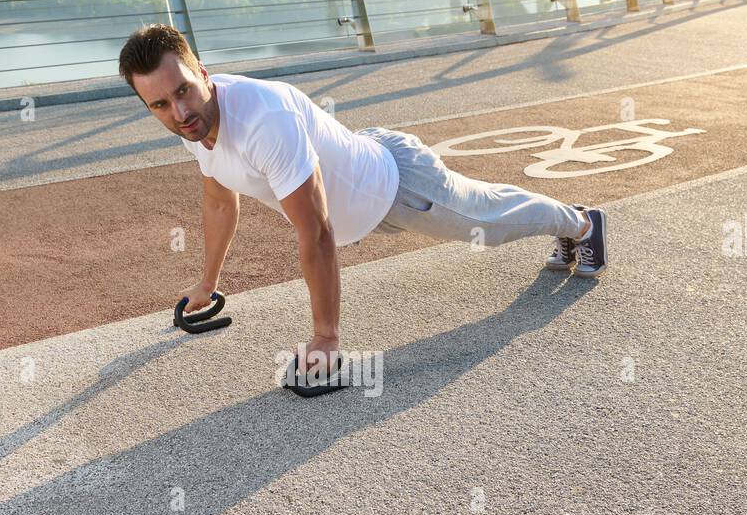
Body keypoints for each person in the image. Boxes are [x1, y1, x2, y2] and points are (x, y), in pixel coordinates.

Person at [117, 24, 608, 378]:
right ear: (148, 105)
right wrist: (207, 282)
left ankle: (582, 225)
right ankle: (571, 225)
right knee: (490, 215)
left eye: (184, 90)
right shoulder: (192, 123)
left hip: (395, 188)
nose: (179, 111)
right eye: (160, 104)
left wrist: (326, 339)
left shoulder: (263, 119)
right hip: (362, 178)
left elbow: (316, 231)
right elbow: (219, 199)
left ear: (203, 72)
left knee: (490, 220)